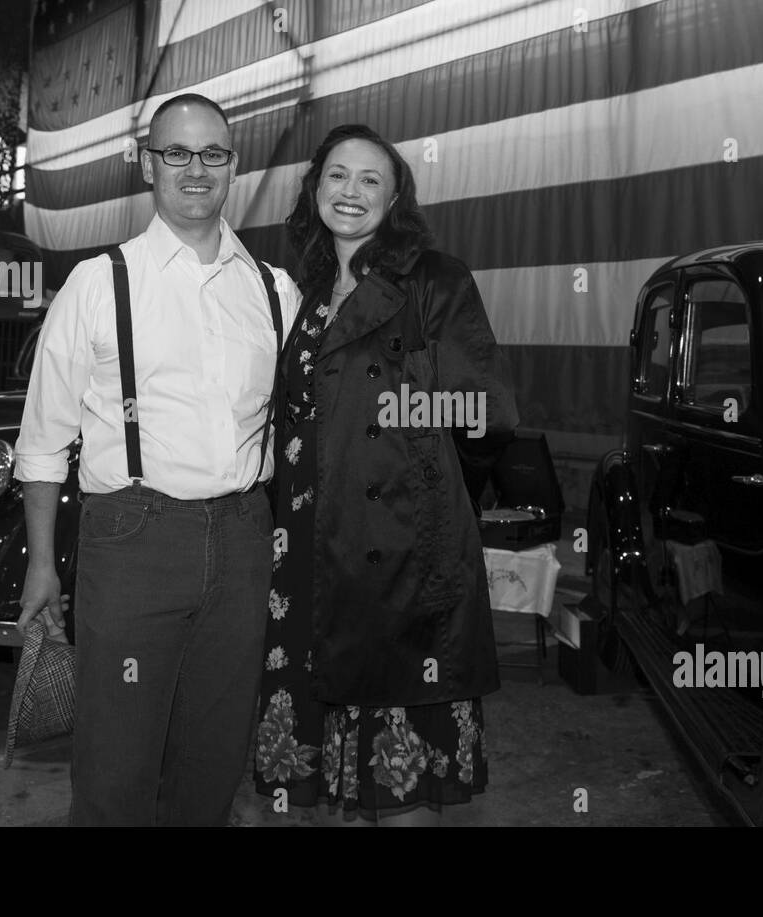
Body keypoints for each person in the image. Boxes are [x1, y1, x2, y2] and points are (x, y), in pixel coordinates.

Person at [14, 92, 301, 826]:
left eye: (213, 153)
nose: (195, 169)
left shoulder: (275, 291)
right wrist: (42, 563)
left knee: (212, 765)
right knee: (115, 770)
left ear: (234, 166)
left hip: (243, 539)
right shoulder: (97, 283)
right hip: (133, 538)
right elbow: (44, 441)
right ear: (149, 164)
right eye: (177, 152)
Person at [253, 124, 518, 825]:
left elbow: (487, 416)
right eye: (337, 174)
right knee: (335, 780)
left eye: (371, 179)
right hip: (309, 550)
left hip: (399, 554)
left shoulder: (433, 279)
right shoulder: (305, 291)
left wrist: (424, 489)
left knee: (399, 779)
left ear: (397, 195)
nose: (351, 191)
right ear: (314, 188)